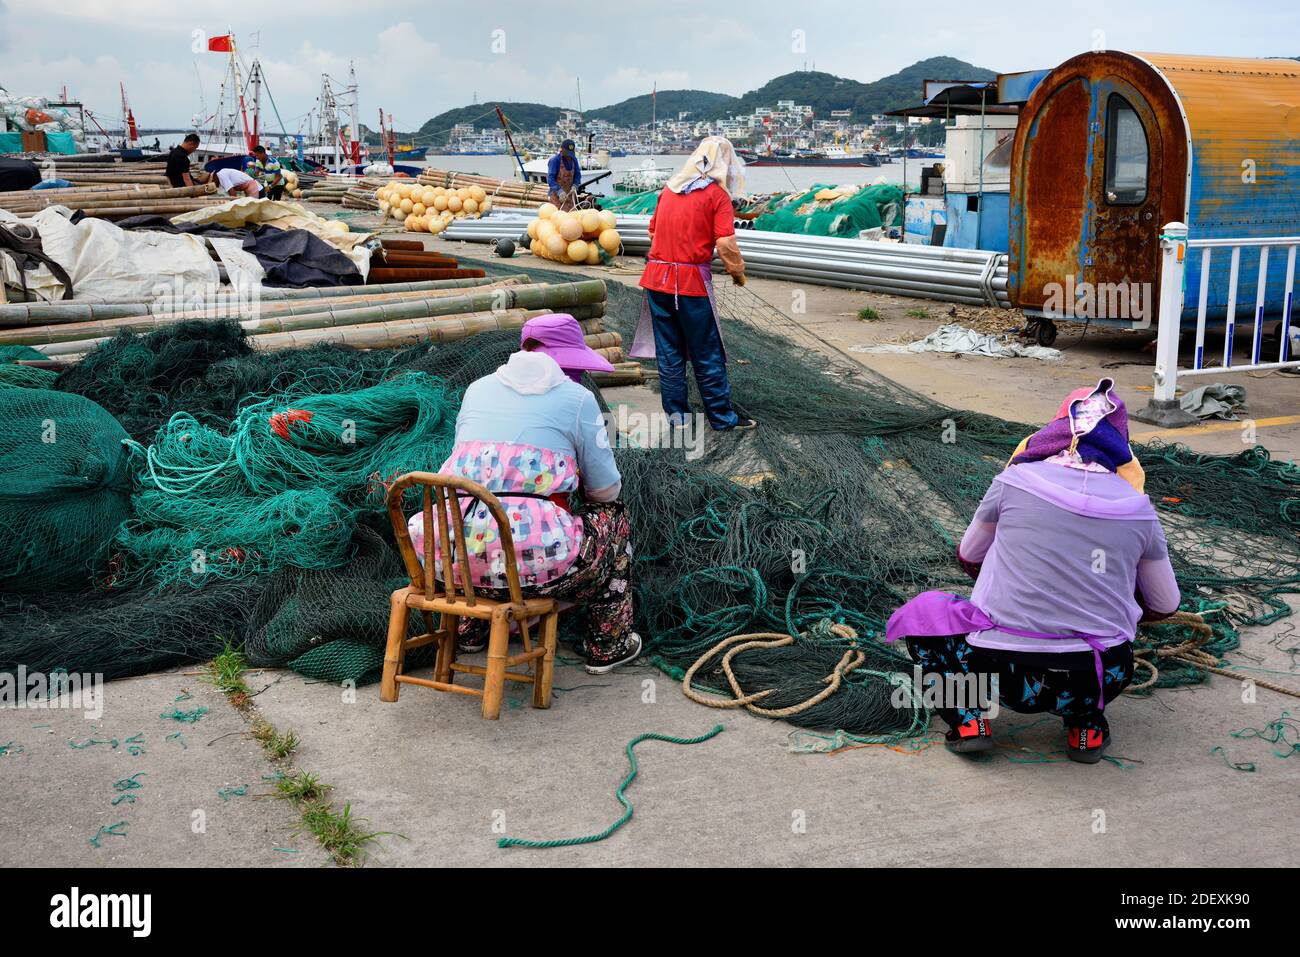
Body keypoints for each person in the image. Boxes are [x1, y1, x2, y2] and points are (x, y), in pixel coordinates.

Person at [885, 378, 1180, 763]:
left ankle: (968, 720)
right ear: (1119, 444)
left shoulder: (1014, 481)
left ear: (1056, 429)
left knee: (925, 615)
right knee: (1108, 640)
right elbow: (1165, 603)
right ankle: (1086, 727)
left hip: (1000, 674)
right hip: (1099, 676)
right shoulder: (1140, 509)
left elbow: (969, 554)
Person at [408, 315, 640, 674]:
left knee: (477, 521)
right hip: (537, 570)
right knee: (615, 519)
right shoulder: (577, 399)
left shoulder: (477, 389)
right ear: (565, 362)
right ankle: (608, 644)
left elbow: (465, 476)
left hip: (447, 567)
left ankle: (470, 630)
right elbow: (606, 490)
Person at [631, 136, 754, 431]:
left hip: (657, 280)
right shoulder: (717, 196)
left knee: (669, 351)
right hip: (691, 286)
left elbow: (653, 232)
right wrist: (737, 273)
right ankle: (722, 418)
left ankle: (678, 418)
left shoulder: (669, 190)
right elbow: (725, 243)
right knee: (706, 351)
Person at [547, 139, 582, 210]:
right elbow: (550, 179)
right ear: (562, 149)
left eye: (571, 153)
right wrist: (559, 191)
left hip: (570, 195)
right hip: (556, 197)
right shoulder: (555, 160)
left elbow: (578, 175)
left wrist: (575, 185)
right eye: (567, 153)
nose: (569, 155)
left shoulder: (574, 159)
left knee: (570, 218)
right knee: (557, 216)